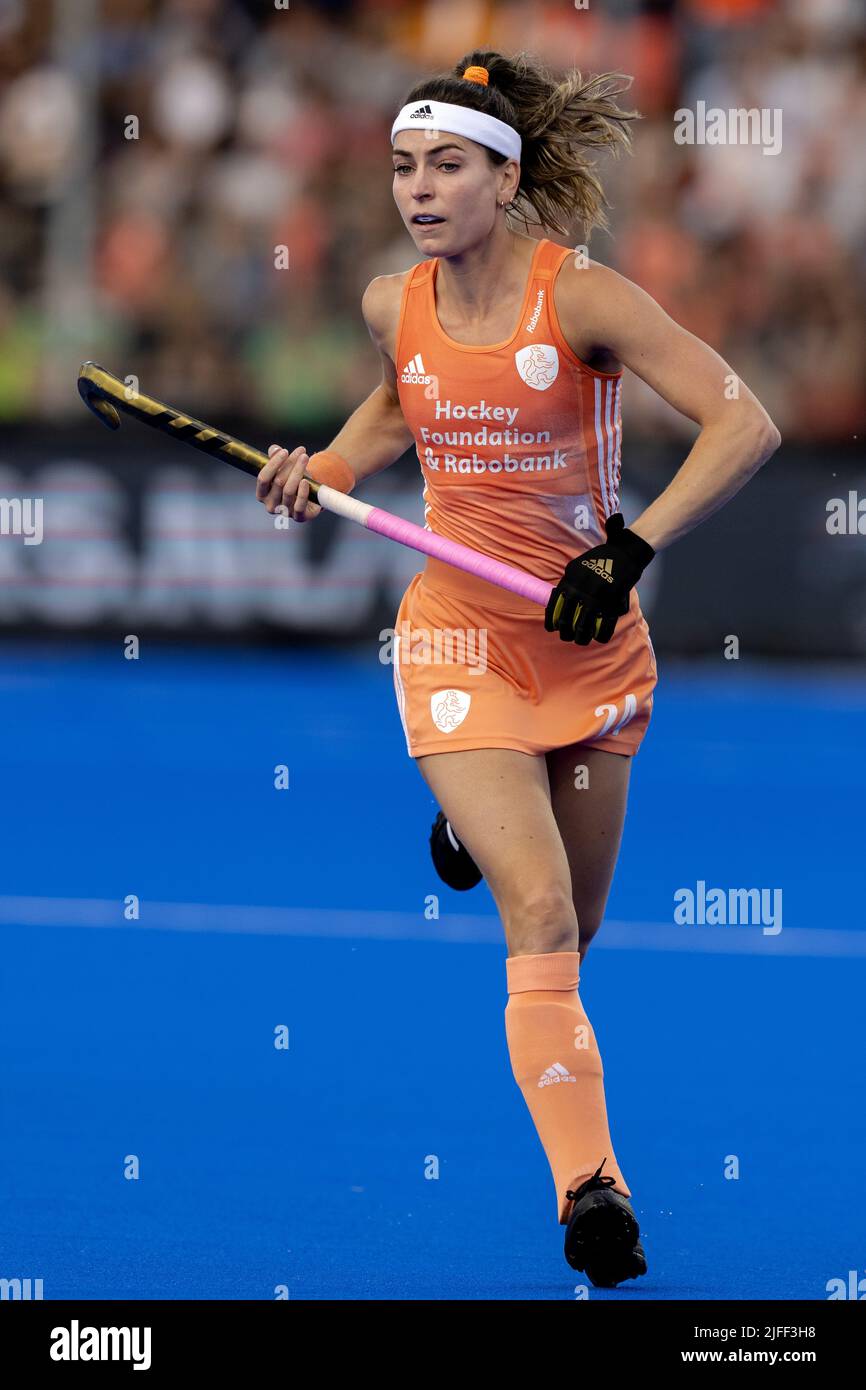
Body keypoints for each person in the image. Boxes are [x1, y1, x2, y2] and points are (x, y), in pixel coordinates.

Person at [255, 50, 780, 1288]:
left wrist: (629, 549)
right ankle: (589, 1190)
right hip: (456, 635)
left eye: (445, 165)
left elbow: (743, 422)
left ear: (503, 177)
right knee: (534, 915)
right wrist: (314, 474)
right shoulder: (394, 303)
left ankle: (470, 823)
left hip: (588, 646)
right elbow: (396, 413)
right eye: (402, 167)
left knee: (575, 930)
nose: (417, 190)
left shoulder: (581, 300)